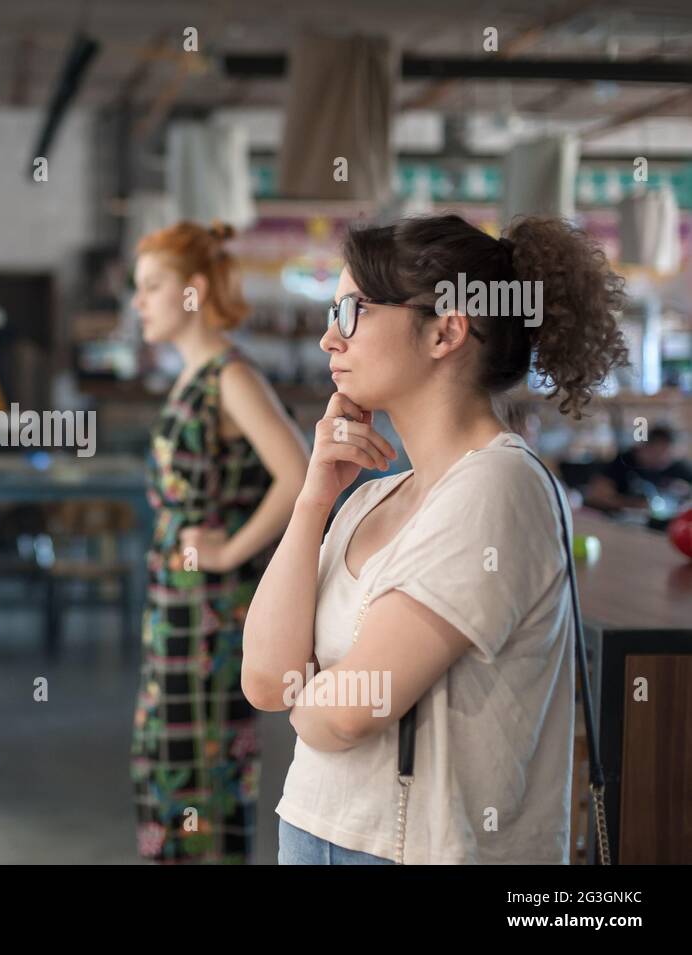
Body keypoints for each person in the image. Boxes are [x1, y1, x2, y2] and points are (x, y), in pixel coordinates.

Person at [242, 213, 630, 864]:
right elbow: (262, 680)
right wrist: (313, 499)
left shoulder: (499, 485)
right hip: (314, 827)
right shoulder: (368, 494)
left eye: (350, 310)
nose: (326, 339)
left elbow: (351, 710)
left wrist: (304, 699)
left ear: (446, 329)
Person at [129, 220, 309, 863]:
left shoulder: (231, 376)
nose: (139, 301)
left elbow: (298, 470)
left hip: (209, 613)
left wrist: (232, 550)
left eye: (152, 286)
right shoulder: (192, 375)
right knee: (167, 760)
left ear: (191, 292)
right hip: (174, 606)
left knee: (200, 770)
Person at [585, 424, 692, 514]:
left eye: (667, 453)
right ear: (646, 446)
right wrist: (636, 505)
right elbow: (595, 496)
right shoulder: (623, 462)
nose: (664, 458)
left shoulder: (678, 467)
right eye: (658, 452)